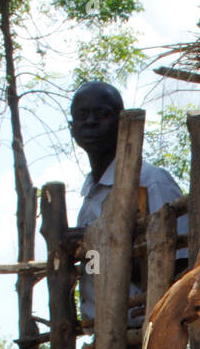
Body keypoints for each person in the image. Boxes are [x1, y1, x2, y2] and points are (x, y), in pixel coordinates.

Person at [70, 80, 188, 328]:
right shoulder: (91, 193)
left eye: (102, 114)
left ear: (122, 123)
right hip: (105, 332)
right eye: (82, 115)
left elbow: (181, 265)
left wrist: (107, 243)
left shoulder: (151, 182)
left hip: (144, 329)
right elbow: (95, 263)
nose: (90, 122)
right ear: (72, 127)